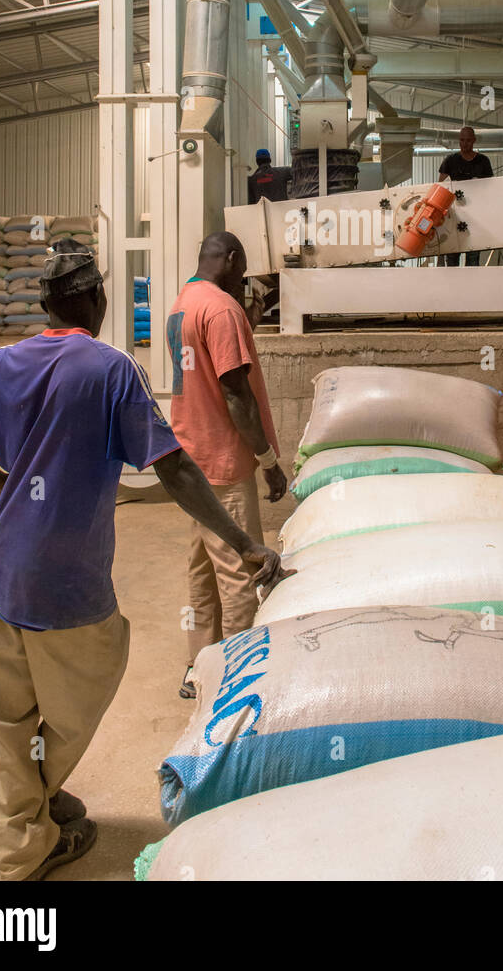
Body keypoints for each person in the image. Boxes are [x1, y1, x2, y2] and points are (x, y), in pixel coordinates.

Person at [0, 244, 285, 883]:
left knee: (12, 711)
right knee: (98, 670)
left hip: (0, 572)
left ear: (47, 305)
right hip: (66, 580)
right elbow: (175, 468)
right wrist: (246, 542)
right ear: (98, 302)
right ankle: (25, 834)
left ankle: (34, 814)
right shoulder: (111, 368)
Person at [167, 232, 289, 701]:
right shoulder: (221, 310)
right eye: (243, 268)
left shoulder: (184, 303)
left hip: (191, 457)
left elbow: (208, 366)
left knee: (202, 571)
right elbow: (236, 394)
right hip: (224, 461)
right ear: (234, 260)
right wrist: (267, 461)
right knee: (242, 569)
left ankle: (198, 668)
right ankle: (235, 681)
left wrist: (251, 313)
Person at [437, 126, 493, 266]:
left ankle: (471, 286)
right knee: (452, 257)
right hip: (454, 214)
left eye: (468, 140)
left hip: (476, 215)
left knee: (473, 258)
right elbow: (440, 186)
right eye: (462, 140)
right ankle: (451, 286)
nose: (465, 143)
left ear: (474, 141)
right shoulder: (450, 160)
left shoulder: (483, 161)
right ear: (459, 141)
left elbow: (491, 187)